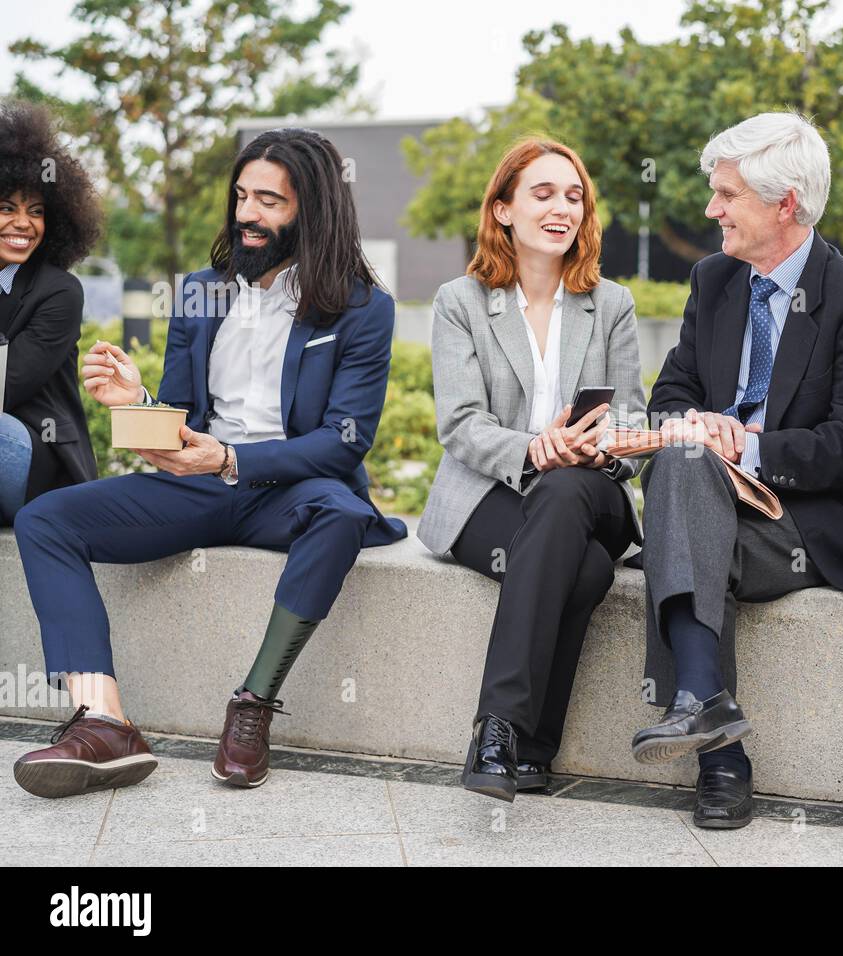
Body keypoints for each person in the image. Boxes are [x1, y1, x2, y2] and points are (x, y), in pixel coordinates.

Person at [12, 127, 406, 798]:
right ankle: (104, 720)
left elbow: (345, 441)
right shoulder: (201, 291)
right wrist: (134, 399)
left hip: (293, 491)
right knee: (46, 521)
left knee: (341, 514)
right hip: (202, 487)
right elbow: (179, 423)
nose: (248, 215)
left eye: (270, 202)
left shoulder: (363, 309)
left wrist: (229, 457)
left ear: (312, 210)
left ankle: (253, 706)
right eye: (242, 197)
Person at [632, 112, 843, 830]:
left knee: (687, 524)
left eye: (727, 195)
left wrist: (743, 445)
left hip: (811, 519)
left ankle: (716, 748)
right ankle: (716, 737)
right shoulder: (714, 281)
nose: (711, 210)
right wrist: (697, 425)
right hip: (711, 500)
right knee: (683, 462)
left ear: (786, 204)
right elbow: (672, 392)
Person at [416, 139, 646, 803]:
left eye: (573, 196)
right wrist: (531, 448)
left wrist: (599, 441)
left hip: (592, 490)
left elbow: (631, 417)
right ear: (503, 209)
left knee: (571, 485)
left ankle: (496, 727)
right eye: (543, 193)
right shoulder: (460, 302)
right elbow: (461, 425)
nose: (562, 208)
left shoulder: (612, 304)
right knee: (586, 569)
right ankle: (534, 750)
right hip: (489, 495)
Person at [0, 100, 100, 526]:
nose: (24, 223)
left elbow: (7, 384)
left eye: (36, 211)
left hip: (34, 458)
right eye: (7, 207)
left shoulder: (60, 292)